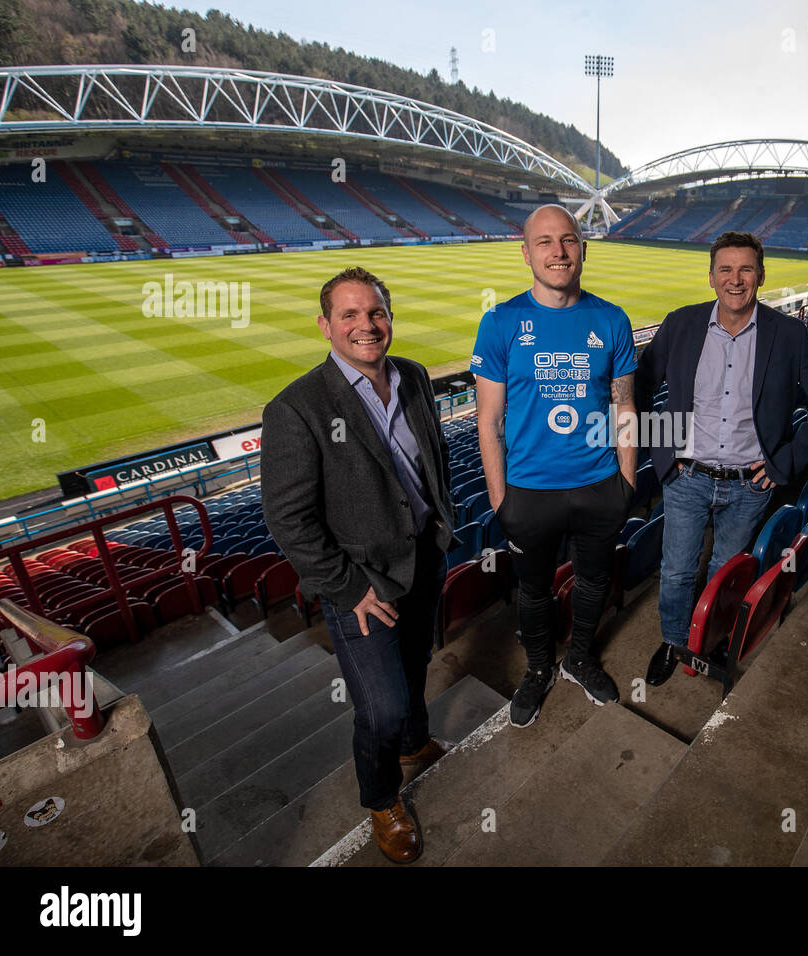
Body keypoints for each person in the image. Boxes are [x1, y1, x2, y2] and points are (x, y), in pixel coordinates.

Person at [261, 266, 455, 864]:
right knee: (382, 705)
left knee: (418, 659)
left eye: (375, 313)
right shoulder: (297, 409)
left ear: (389, 319)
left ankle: (414, 744)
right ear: (326, 325)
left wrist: (442, 527)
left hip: (425, 556)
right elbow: (289, 518)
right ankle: (381, 800)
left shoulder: (416, 377)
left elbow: (434, 463)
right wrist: (346, 589)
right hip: (361, 586)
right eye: (349, 315)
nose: (365, 326)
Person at [636, 231, 808, 685]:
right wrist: (663, 452)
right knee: (678, 572)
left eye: (746, 269)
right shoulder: (681, 324)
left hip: (750, 486)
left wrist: (784, 463)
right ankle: (674, 641)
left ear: (761, 275)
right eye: (725, 269)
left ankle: (709, 641)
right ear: (711, 277)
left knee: (725, 574)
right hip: (686, 477)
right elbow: (637, 390)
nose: (735, 279)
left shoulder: (789, 334)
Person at [471, 204, 637, 727]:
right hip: (529, 494)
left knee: (593, 582)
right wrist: (501, 500)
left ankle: (580, 658)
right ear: (526, 253)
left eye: (568, 240)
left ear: (582, 248)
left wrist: (626, 481)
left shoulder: (611, 319)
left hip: (599, 485)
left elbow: (625, 405)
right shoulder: (499, 322)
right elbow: (488, 420)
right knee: (534, 591)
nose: (558, 251)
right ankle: (539, 668)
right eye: (545, 242)